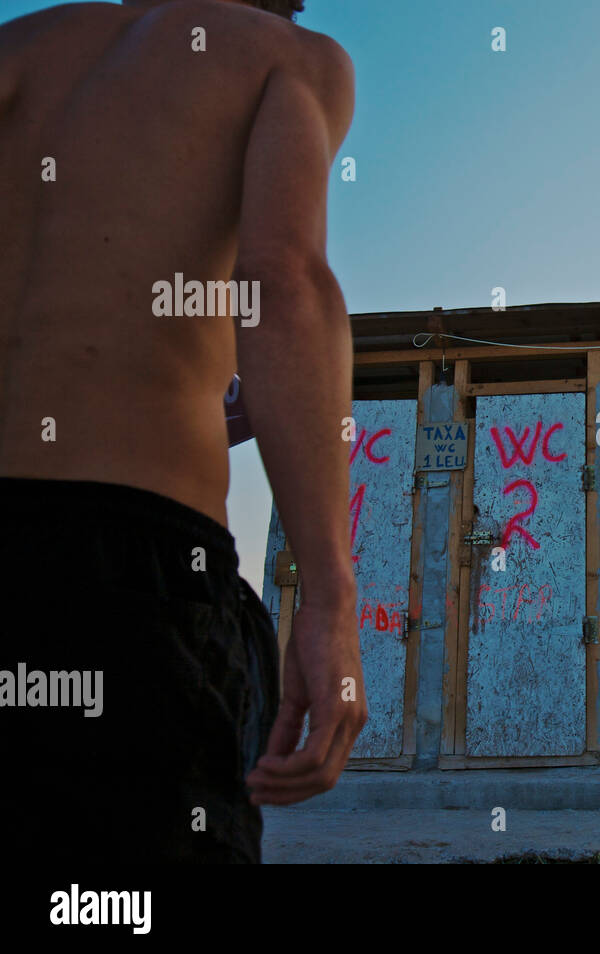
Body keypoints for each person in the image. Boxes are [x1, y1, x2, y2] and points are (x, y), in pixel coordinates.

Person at [0, 0, 365, 862]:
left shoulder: (20, 46)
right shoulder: (286, 58)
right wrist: (329, 599)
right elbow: (281, 284)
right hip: (127, 577)